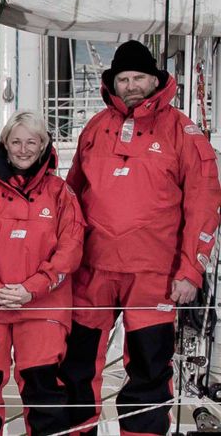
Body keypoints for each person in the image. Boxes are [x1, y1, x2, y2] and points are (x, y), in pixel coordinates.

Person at [61, 39, 221, 435]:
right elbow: (69, 197)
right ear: (113, 84)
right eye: (124, 79)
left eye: (138, 78)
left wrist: (192, 270)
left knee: (149, 371)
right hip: (92, 271)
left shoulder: (184, 132)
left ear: (155, 80)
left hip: (155, 274)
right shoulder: (96, 128)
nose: (131, 86)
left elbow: (203, 205)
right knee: (77, 366)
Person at [0, 111, 83, 436]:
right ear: (5, 144)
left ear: (43, 146)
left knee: (43, 392)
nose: (23, 149)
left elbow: (70, 251)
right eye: (16, 141)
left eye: (31, 142)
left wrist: (32, 289)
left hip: (42, 306)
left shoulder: (62, 195)